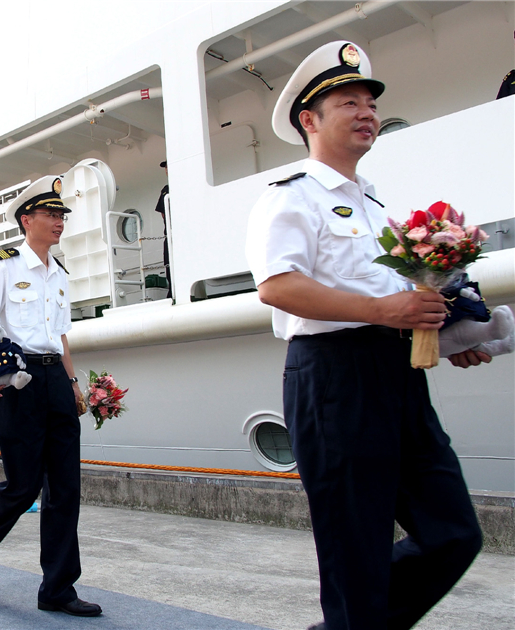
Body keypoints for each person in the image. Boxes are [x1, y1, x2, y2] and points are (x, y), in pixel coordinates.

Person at [245, 42, 484, 630]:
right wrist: (383, 310)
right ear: (309, 120)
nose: (366, 113)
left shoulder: (375, 203)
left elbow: (399, 292)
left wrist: (451, 332)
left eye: (371, 104)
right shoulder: (290, 196)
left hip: (397, 373)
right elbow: (277, 287)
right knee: (357, 545)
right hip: (334, 376)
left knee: (453, 533)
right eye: (348, 102)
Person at [0, 176, 101, 617]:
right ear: (27, 220)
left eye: (62, 215)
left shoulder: (60, 273)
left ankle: (57, 588)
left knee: (65, 488)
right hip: (18, 379)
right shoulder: (4, 264)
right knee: (23, 485)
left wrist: (74, 384)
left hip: (55, 379)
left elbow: (61, 337)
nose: (59, 222)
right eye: (51, 214)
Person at [153, 160, 171, 298]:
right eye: (165, 167)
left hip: (183, 233)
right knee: (168, 263)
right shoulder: (165, 189)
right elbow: (162, 212)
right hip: (169, 234)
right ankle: (172, 290)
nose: (166, 169)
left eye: (168, 166)